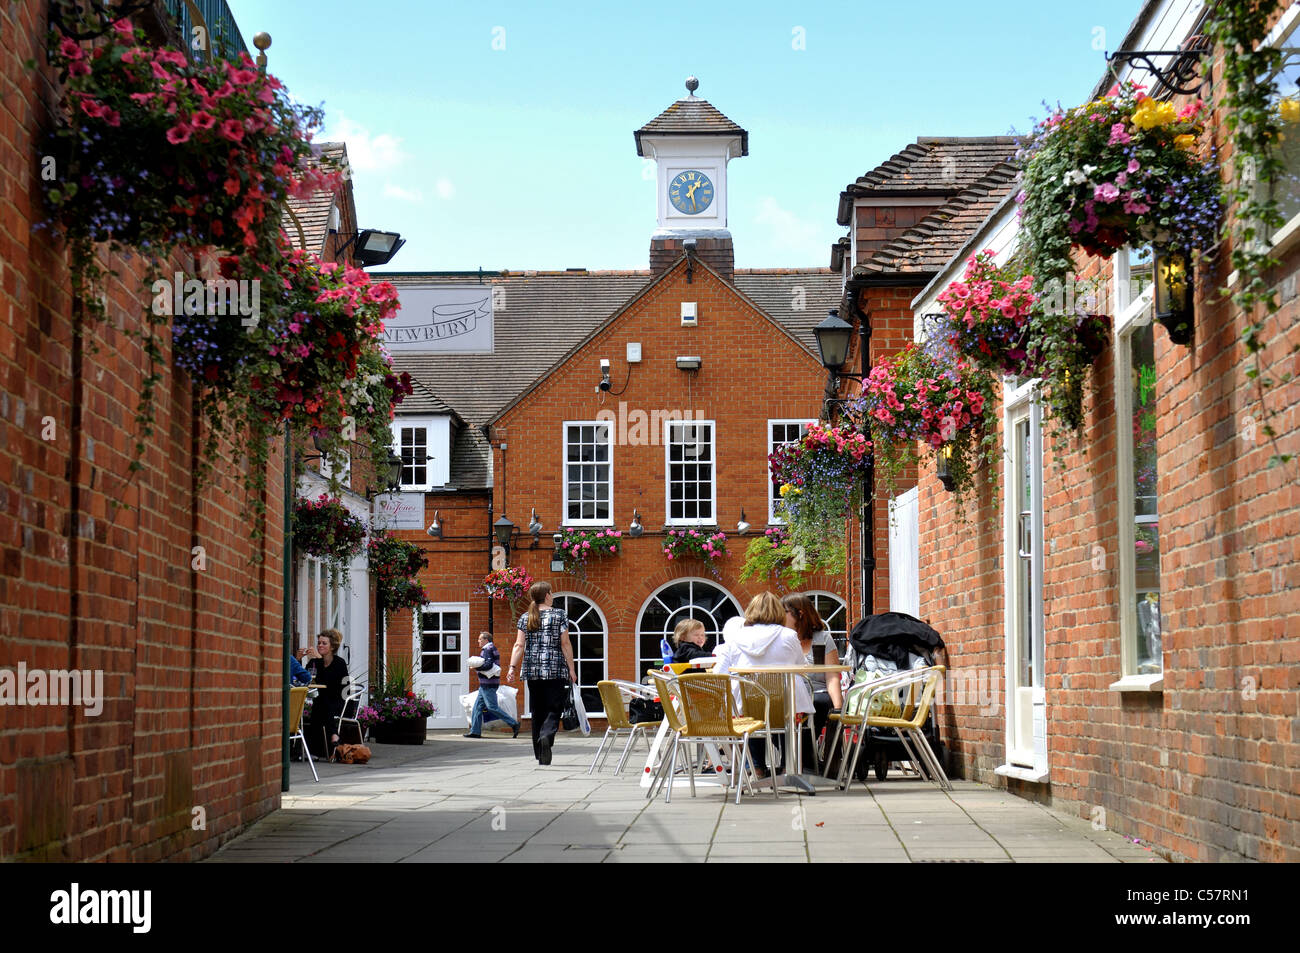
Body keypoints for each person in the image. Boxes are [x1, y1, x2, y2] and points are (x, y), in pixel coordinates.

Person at [713, 592, 812, 777]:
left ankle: (756, 767)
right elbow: (801, 667)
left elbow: (720, 673)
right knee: (786, 715)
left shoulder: (737, 638)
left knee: (752, 710)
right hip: (788, 707)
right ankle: (786, 767)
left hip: (746, 707)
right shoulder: (789, 635)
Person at [506, 581, 576, 765]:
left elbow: (519, 645)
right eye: (551, 593)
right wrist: (572, 668)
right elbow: (565, 643)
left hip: (532, 669)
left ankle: (539, 753)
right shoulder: (559, 615)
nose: (552, 596)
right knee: (554, 708)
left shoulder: (526, 616)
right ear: (546, 595)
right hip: (555, 669)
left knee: (537, 710)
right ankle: (546, 736)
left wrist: (512, 667)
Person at [782, 593, 843, 770]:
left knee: (818, 703)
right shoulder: (783, 639)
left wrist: (838, 708)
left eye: (783, 612)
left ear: (799, 614)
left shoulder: (822, 639)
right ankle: (800, 761)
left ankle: (801, 761)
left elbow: (832, 676)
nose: (778, 616)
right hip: (791, 692)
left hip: (817, 692)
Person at [465, 632, 520, 739]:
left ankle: (513, 723)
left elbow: (488, 665)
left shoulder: (488, 649)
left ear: (486, 640)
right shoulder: (491, 648)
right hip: (486, 684)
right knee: (477, 707)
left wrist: (475, 667)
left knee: (492, 707)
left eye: (480, 639)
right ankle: (475, 731)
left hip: (488, 684)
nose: (478, 641)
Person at [303, 629, 349, 757]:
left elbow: (334, 685)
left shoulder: (339, 663)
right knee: (321, 703)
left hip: (339, 702)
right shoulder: (314, 662)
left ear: (332, 646)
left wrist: (318, 658)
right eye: (319, 643)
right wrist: (297, 658)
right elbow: (305, 678)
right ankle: (333, 735)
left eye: (324, 643)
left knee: (322, 703)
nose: (320, 646)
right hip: (322, 703)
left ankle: (312, 750)